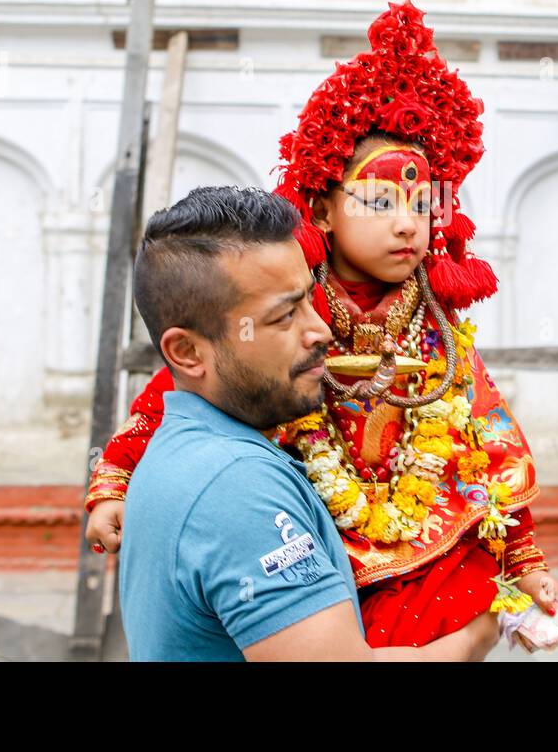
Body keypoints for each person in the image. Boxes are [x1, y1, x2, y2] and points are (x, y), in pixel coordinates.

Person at [92, 0, 558, 649]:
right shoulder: (282, 301)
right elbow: (173, 390)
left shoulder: (434, 328)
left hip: (430, 540)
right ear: (321, 209)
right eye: (380, 201)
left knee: (473, 583)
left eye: (423, 204)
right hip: (313, 543)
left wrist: (525, 559)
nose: (408, 223)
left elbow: (490, 435)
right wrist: (113, 480)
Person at [118, 184, 499, 661]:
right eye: (283, 317)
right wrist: (474, 638)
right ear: (188, 352)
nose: (319, 329)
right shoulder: (236, 487)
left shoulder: (186, 445)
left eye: (309, 301)